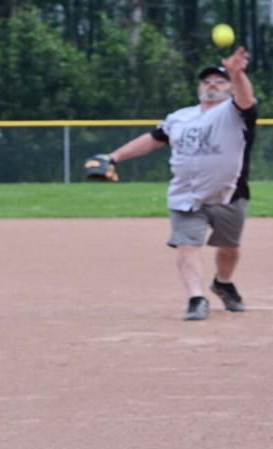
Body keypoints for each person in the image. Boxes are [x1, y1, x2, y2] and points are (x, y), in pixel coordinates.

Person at [88, 47, 256, 321]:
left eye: (220, 81)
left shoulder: (236, 112)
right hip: (185, 195)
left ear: (229, 88)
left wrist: (237, 75)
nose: (212, 85)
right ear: (199, 88)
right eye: (206, 81)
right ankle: (196, 298)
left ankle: (223, 283)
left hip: (229, 194)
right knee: (187, 244)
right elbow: (153, 140)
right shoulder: (180, 117)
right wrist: (113, 157)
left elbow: (246, 98)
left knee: (230, 248)